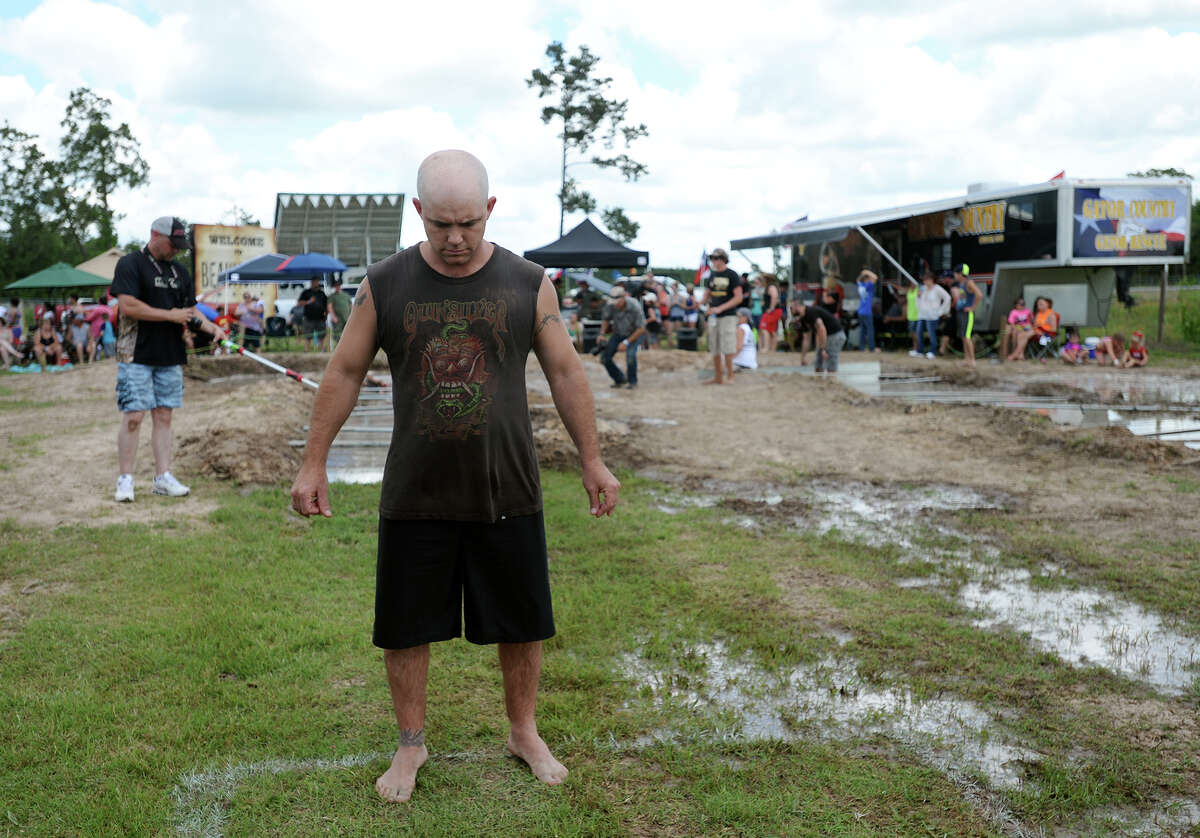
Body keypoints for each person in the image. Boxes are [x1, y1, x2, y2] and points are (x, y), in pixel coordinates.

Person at [289, 149, 619, 805]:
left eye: (468, 221)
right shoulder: (385, 284)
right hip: (416, 490)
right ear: (419, 212)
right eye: (441, 224)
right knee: (406, 625)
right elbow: (346, 371)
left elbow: (565, 372)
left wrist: (591, 456)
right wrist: (313, 458)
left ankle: (523, 733)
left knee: (523, 621)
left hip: (509, 486)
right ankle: (410, 743)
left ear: (490, 210)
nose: (456, 238)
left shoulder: (528, 283)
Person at [112, 215, 226, 503]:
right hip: (135, 352)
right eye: (172, 244)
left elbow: (190, 309)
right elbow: (127, 305)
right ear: (155, 235)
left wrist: (214, 327)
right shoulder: (131, 264)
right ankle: (125, 479)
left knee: (164, 415)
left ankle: (162, 477)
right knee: (135, 416)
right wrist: (169, 316)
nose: (176, 250)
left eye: (179, 245)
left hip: (170, 354)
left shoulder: (179, 271)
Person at [704, 248, 744, 384]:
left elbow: (738, 298)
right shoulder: (712, 275)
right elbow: (708, 294)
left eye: (716, 258)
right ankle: (718, 376)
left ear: (723, 259)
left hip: (728, 316)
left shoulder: (732, 275)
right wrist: (702, 304)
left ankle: (730, 376)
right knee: (714, 347)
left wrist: (720, 308)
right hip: (714, 317)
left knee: (727, 347)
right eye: (712, 258)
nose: (713, 261)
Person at [598, 286, 647, 389]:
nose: (615, 305)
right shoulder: (610, 305)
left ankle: (632, 382)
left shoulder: (634, 306)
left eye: (617, 302)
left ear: (624, 297)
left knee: (630, 356)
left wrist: (626, 343)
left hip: (635, 334)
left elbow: (641, 328)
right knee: (605, 358)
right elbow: (606, 319)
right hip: (618, 333)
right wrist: (602, 334)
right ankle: (620, 379)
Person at [791, 297, 845, 373]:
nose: (791, 310)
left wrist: (823, 348)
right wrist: (803, 357)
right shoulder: (803, 318)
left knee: (830, 361)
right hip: (827, 336)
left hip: (835, 335)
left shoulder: (811, 312)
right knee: (818, 364)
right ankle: (820, 380)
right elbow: (806, 339)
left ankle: (832, 380)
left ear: (798, 306)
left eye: (791, 308)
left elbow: (822, 328)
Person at [913, 272, 951, 359]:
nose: (925, 282)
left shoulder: (937, 289)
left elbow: (947, 298)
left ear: (931, 280)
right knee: (918, 332)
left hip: (932, 316)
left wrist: (941, 311)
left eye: (927, 280)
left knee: (931, 334)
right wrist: (918, 296)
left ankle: (932, 351)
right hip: (922, 315)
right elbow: (919, 301)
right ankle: (920, 351)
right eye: (924, 280)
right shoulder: (923, 288)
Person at [952, 264, 982, 368]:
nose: (954, 275)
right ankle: (967, 359)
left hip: (967, 314)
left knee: (967, 336)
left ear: (960, 274)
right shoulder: (961, 283)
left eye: (955, 273)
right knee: (964, 337)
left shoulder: (969, 283)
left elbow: (979, 294)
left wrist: (972, 308)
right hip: (961, 312)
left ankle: (972, 360)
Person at [296, 278, 328, 350]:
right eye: (314, 282)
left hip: (320, 318)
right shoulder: (306, 292)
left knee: (321, 336)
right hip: (309, 318)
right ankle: (306, 350)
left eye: (316, 282)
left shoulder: (321, 293)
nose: (315, 284)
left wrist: (326, 315)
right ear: (311, 283)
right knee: (308, 336)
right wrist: (309, 302)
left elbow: (326, 305)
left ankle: (322, 350)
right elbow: (298, 303)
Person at [1001, 297, 1033, 361]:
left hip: (1026, 327)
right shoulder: (1013, 312)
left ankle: (1016, 353)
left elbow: (1031, 321)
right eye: (1020, 304)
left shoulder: (1028, 311)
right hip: (1018, 327)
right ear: (1015, 305)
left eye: (1023, 304)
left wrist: (1029, 320)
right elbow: (1011, 322)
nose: (1022, 306)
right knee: (1011, 331)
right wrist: (1016, 327)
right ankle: (1007, 353)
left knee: (1017, 332)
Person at [855, 268, 879, 353]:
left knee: (863, 330)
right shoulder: (869, 286)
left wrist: (863, 274)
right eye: (869, 278)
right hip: (867, 312)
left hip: (860, 311)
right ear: (867, 279)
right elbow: (875, 277)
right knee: (870, 330)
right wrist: (867, 272)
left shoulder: (860, 285)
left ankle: (861, 348)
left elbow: (858, 279)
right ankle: (872, 348)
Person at [759, 276, 782, 353]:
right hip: (773, 311)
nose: (761, 281)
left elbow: (774, 296)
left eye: (762, 279)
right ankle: (772, 349)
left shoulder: (771, 287)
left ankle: (766, 348)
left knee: (764, 328)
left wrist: (772, 307)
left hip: (772, 311)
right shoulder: (770, 287)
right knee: (772, 330)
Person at [327, 278, 352, 347]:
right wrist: (333, 316)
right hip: (337, 318)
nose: (337, 287)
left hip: (347, 317)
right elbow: (330, 307)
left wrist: (352, 316)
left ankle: (347, 346)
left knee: (348, 333)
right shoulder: (332, 296)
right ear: (334, 286)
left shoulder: (346, 295)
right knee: (337, 334)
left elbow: (351, 306)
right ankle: (339, 347)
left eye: (338, 285)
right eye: (336, 285)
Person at [732, 307, 757, 371]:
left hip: (742, 363)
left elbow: (739, 347)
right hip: (751, 363)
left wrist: (729, 359)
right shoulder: (748, 328)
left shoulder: (741, 328)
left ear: (745, 318)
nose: (736, 318)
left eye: (738, 316)